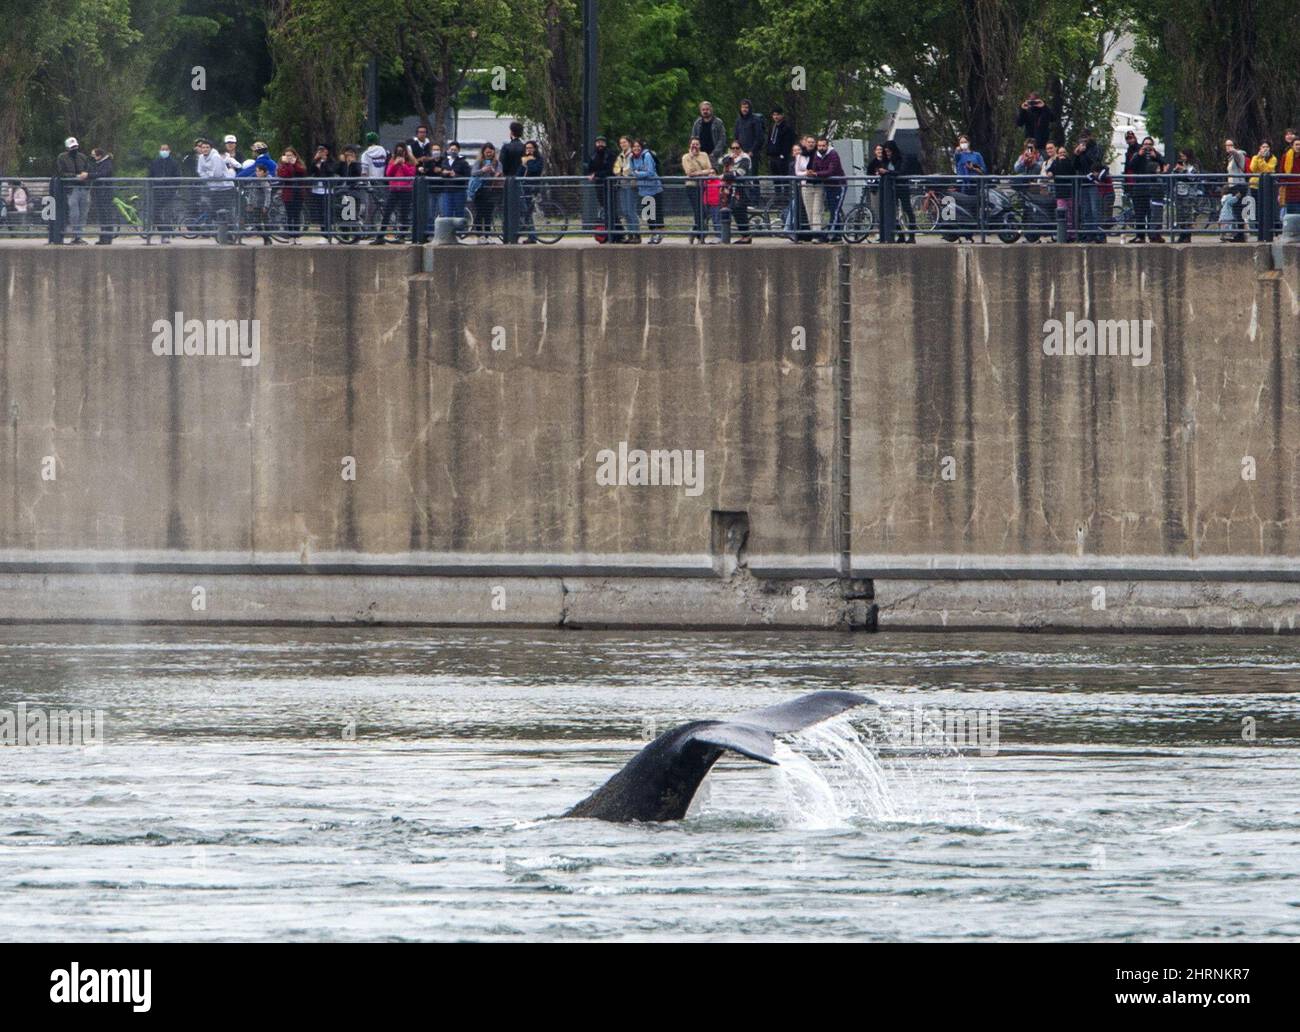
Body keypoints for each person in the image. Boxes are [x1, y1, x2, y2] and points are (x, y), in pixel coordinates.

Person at [371, 142, 415, 243]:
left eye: (402, 151)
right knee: (387, 212)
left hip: (406, 190)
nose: (400, 153)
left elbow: (410, 174)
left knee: (404, 214)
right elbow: (388, 173)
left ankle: (402, 236)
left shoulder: (411, 161)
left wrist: (403, 164)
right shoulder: (392, 160)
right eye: (398, 151)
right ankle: (380, 236)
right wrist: (395, 164)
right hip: (394, 190)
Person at [56, 137, 93, 244]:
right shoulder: (62, 157)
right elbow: (61, 172)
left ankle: (79, 236)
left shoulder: (82, 157)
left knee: (83, 213)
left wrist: (86, 176)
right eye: (72, 147)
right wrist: (75, 176)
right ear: (67, 147)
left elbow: (88, 169)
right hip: (72, 189)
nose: (74, 148)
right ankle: (75, 236)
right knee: (74, 213)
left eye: (76, 146)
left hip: (84, 188)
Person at [1128, 136, 1165, 243]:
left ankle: (1154, 235)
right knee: (1139, 214)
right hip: (1139, 189)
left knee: (1152, 215)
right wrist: (1139, 155)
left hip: (1153, 190)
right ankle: (1140, 236)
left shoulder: (1156, 155)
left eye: (1150, 144)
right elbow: (1130, 166)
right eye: (1145, 144)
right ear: (1142, 145)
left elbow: (1165, 165)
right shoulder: (1137, 154)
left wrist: (1156, 157)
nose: (1147, 146)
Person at [195, 138, 235, 234]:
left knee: (226, 212)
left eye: (207, 147)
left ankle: (232, 233)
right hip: (213, 188)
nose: (205, 149)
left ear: (211, 148)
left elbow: (217, 174)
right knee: (214, 211)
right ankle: (222, 233)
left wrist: (207, 174)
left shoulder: (215, 157)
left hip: (225, 188)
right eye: (203, 147)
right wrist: (210, 174)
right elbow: (200, 172)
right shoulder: (201, 158)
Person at [809, 136, 846, 241]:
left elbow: (831, 171)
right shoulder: (817, 155)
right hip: (828, 186)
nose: (821, 148)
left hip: (839, 185)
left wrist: (816, 174)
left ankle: (831, 234)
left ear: (827, 145)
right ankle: (836, 235)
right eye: (819, 145)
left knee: (835, 210)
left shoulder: (833, 154)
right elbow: (815, 167)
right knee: (832, 210)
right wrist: (812, 172)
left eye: (823, 146)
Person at [145, 142, 181, 244]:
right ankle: (163, 232)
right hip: (157, 192)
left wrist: (173, 188)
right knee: (155, 214)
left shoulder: (174, 163)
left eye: (166, 149)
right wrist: (152, 186)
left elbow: (178, 177)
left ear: (169, 151)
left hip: (169, 193)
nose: (164, 151)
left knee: (167, 215)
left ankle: (166, 236)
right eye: (162, 149)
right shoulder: (155, 162)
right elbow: (150, 175)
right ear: (159, 151)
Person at [628, 139, 664, 243]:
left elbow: (650, 172)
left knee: (657, 213)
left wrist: (638, 173)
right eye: (634, 147)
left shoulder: (647, 155)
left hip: (654, 188)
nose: (636, 148)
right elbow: (631, 171)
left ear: (641, 147)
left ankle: (659, 234)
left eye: (638, 146)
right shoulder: (631, 158)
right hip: (643, 190)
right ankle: (653, 234)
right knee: (648, 214)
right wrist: (637, 173)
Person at [884, 139, 918, 243]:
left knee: (907, 209)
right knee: (891, 211)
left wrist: (889, 172)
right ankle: (900, 234)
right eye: (886, 152)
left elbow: (901, 171)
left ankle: (912, 236)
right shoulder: (887, 160)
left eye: (889, 151)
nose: (888, 154)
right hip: (892, 188)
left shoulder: (901, 158)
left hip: (902, 186)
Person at [681, 137, 713, 242]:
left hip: (703, 186)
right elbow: (689, 172)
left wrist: (699, 173)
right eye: (693, 144)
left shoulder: (704, 155)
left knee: (703, 211)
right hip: (692, 186)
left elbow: (710, 169)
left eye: (697, 144)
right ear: (689, 146)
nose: (695, 146)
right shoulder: (686, 157)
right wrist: (693, 157)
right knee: (698, 210)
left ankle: (694, 230)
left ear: (700, 146)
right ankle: (701, 236)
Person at [468, 142, 502, 240]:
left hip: (491, 190)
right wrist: (482, 170)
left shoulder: (497, 163)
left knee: (488, 214)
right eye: (487, 152)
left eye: (490, 152)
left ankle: (487, 235)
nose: (489, 154)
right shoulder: (479, 162)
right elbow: (473, 173)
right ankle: (479, 235)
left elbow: (499, 173)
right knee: (480, 213)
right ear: (483, 153)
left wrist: (493, 172)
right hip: (479, 190)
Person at [1219, 138, 1249, 242]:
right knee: (1236, 211)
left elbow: (1238, 154)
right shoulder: (1230, 158)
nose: (1228, 147)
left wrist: (1233, 150)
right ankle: (1238, 234)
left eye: (1230, 145)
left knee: (1238, 211)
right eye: (1226, 145)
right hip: (1232, 186)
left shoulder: (1239, 154)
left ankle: (1241, 235)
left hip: (1239, 185)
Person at [585, 135, 616, 233]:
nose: (600, 144)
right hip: (599, 186)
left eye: (602, 142)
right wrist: (591, 174)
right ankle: (606, 233)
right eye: (598, 143)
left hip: (609, 185)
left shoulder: (610, 154)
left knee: (611, 209)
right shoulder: (593, 155)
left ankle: (615, 233)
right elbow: (590, 169)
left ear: (605, 144)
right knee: (603, 208)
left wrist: (596, 174)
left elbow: (610, 170)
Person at [275, 147, 307, 238]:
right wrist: (288, 165)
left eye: (291, 155)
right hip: (288, 193)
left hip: (298, 193)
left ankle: (296, 236)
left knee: (297, 215)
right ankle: (290, 236)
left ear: (295, 156)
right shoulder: (282, 165)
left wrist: (294, 164)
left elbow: (302, 172)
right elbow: (284, 175)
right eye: (287, 155)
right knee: (289, 215)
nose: (289, 157)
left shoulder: (299, 164)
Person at [765, 107, 796, 202]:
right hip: (773, 156)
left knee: (784, 178)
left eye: (777, 114)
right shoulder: (773, 127)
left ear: (782, 115)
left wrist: (783, 154)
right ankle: (778, 198)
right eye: (774, 115)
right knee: (776, 179)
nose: (776, 117)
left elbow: (788, 143)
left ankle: (786, 198)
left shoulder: (787, 127)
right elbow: (770, 140)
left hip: (782, 157)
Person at [87, 147, 116, 244]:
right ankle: (104, 237)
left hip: (105, 194)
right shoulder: (100, 164)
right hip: (100, 193)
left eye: (94, 155)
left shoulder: (106, 164)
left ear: (99, 156)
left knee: (106, 215)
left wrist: (89, 175)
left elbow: (102, 174)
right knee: (102, 216)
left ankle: (107, 237)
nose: (93, 157)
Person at [361, 131, 388, 229]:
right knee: (383, 205)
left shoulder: (366, 154)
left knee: (370, 206)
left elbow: (364, 171)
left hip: (371, 182)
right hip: (383, 181)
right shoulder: (383, 151)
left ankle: (369, 228)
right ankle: (384, 226)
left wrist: (363, 181)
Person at [1170, 150, 1200, 242]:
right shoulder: (1181, 164)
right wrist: (1176, 170)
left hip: (1189, 193)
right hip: (1179, 192)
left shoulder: (1194, 166)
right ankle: (1181, 234)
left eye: (1183, 156)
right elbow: (1173, 175)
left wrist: (1184, 170)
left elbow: (1193, 177)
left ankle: (1187, 236)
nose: (1181, 158)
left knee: (1187, 215)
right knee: (1180, 215)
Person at [611, 135, 636, 242]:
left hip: (630, 185)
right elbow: (615, 169)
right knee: (625, 211)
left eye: (624, 142)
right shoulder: (620, 156)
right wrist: (621, 172)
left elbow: (629, 169)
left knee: (631, 211)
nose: (622, 144)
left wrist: (621, 172)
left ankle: (636, 234)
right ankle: (630, 234)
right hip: (622, 185)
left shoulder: (633, 155)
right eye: (621, 143)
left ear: (629, 143)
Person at [439, 141, 471, 220]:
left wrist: (456, 175)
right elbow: (441, 173)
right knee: (447, 213)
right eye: (451, 149)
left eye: (455, 150)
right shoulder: (445, 161)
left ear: (458, 150)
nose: (453, 151)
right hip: (447, 190)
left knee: (459, 213)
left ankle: (460, 231)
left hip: (459, 191)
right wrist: (444, 173)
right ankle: (448, 231)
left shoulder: (463, 162)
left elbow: (467, 176)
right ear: (448, 150)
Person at [519, 140, 544, 242]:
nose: (528, 150)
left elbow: (535, 170)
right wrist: (523, 163)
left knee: (528, 212)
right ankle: (527, 233)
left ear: (534, 149)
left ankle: (532, 236)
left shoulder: (538, 159)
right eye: (527, 148)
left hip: (532, 187)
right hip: (523, 187)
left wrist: (528, 161)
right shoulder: (523, 159)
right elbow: (519, 172)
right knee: (524, 212)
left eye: (530, 148)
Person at [1249, 141, 1276, 233]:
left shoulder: (1273, 158)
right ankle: (1258, 228)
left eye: (1267, 147)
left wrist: (1261, 160)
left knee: (1267, 207)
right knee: (1257, 207)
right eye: (1263, 147)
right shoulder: (1255, 157)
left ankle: (1267, 229)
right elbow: (1252, 168)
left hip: (1267, 186)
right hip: (1255, 185)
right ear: (1260, 148)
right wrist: (1258, 158)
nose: (1265, 148)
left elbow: (1268, 169)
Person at [309, 145, 337, 234]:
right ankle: (323, 231)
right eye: (319, 151)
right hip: (317, 188)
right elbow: (311, 171)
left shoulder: (330, 161)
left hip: (327, 188)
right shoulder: (316, 161)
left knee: (327, 210)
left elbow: (331, 171)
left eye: (323, 151)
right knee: (320, 211)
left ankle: (328, 231)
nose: (321, 153)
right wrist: (315, 160)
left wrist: (324, 162)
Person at [733, 100, 765, 175]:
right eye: (743, 107)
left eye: (746, 107)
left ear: (749, 108)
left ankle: (755, 187)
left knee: (753, 176)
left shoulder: (755, 120)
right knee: (741, 175)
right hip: (740, 153)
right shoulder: (738, 120)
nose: (744, 109)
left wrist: (752, 151)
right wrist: (736, 150)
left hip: (752, 154)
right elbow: (736, 137)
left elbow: (759, 138)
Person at [691, 101, 726, 167]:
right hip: (699, 155)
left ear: (711, 110)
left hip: (714, 156)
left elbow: (722, 140)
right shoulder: (697, 123)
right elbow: (693, 138)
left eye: (707, 109)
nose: (705, 111)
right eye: (703, 110)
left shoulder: (718, 122)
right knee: (700, 175)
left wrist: (714, 153)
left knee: (712, 175)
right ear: (700, 111)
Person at [247, 163, 274, 245]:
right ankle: (266, 237)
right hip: (256, 205)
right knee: (256, 222)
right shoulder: (254, 181)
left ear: (264, 172)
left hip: (263, 206)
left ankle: (267, 240)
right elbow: (251, 193)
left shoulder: (265, 182)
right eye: (256, 171)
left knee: (266, 222)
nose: (257, 173)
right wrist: (250, 204)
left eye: (259, 171)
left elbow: (267, 194)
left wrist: (266, 205)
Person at [1280, 137, 1300, 218]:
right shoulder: (1286, 157)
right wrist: (1282, 191)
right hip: (1291, 193)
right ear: (1292, 146)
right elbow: (1282, 174)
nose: (1298, 146)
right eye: (1297, 144)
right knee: (1293, 217)